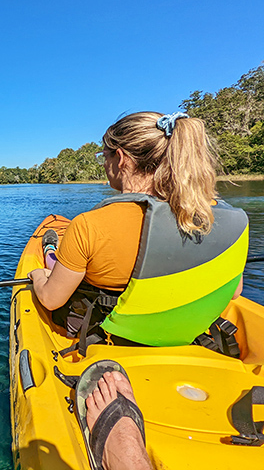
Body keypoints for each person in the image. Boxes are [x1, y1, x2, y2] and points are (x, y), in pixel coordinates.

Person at [28, 111, 249, 348]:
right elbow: (234, 292)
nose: (104, 164)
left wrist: (38, 275)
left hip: (111, 342)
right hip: (192, 339)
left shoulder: (88, 225)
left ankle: (50, 256)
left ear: (121, 158)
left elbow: (51, 300)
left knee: (53, 277)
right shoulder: (222, 218)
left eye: (104, 156)